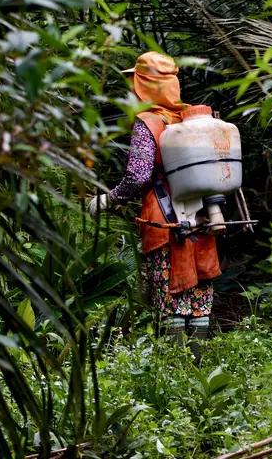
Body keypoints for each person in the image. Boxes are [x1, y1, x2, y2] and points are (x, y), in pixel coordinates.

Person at [87, 52, 220, 362]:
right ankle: (196, 369)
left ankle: (174, 373)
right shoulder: (196, 119)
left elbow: (138, 175)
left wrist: (109, 199)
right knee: (198, 294)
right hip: (203, 216)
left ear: (145, 86)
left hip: (165, 221)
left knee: (172, 294)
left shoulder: (149, 123)